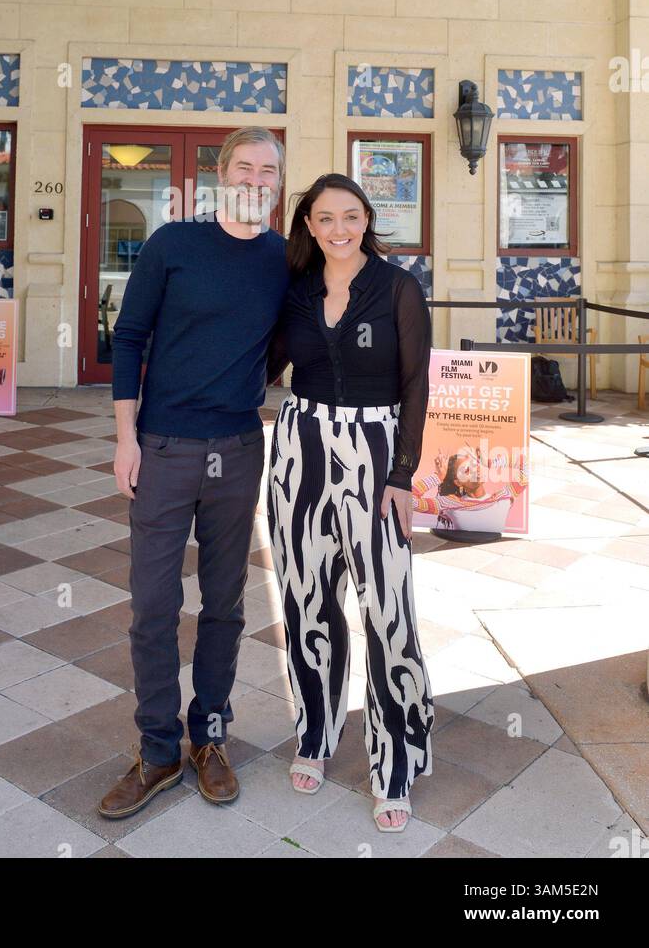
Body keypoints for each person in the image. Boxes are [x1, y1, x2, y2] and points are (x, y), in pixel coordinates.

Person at [98, 127, 290, 819]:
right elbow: (128, 337)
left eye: (268, 170)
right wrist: (126, 437)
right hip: (165, 447)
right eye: (245, 166)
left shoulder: (281, 258)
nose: (256, 178)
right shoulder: (172, 244)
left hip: (237, 449)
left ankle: (209, 738)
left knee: (225, 604)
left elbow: (292, 336)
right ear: (220, 173)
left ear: (276, 181)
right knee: (152, 606)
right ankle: (156, 751)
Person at [266, 173, 434, 833]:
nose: (339, 229)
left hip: (375, 446)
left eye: (351, 216)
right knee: (306, 597)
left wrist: (402, 473)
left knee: (386, 607)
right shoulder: (296, 292)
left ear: (366, 220)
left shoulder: (396, 288)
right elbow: (264, 365)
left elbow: (417, 381)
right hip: (299, 446)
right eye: (325, 219)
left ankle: (395, 755)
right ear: (308, 226)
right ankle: (316, 729)